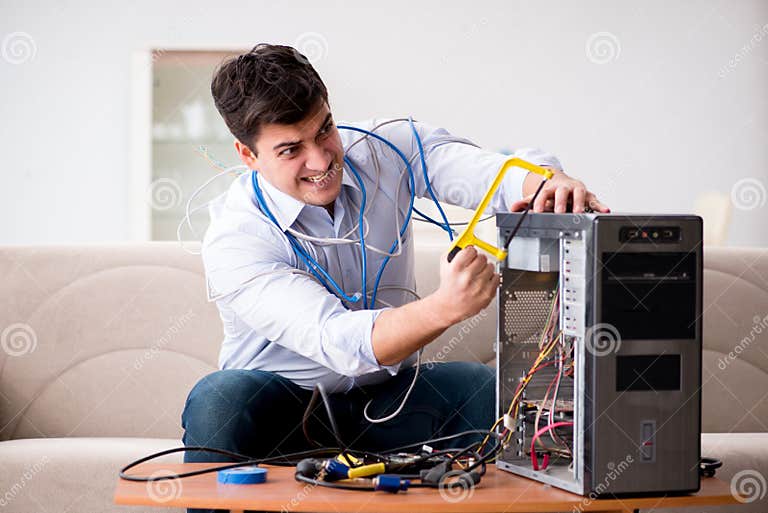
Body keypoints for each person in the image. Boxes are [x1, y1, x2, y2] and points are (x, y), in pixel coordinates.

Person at [180, 43, 608, 511]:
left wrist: (545, 183)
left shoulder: (385, 149)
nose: (321, 161)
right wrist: (445, 308)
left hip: (387, 403)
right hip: (282, 411)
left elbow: (490, 172)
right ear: (248, 154)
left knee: (483, 391)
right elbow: (339, 341)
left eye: (324, 130)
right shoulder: (236, 239)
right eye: (290, 150)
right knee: (218, 399)